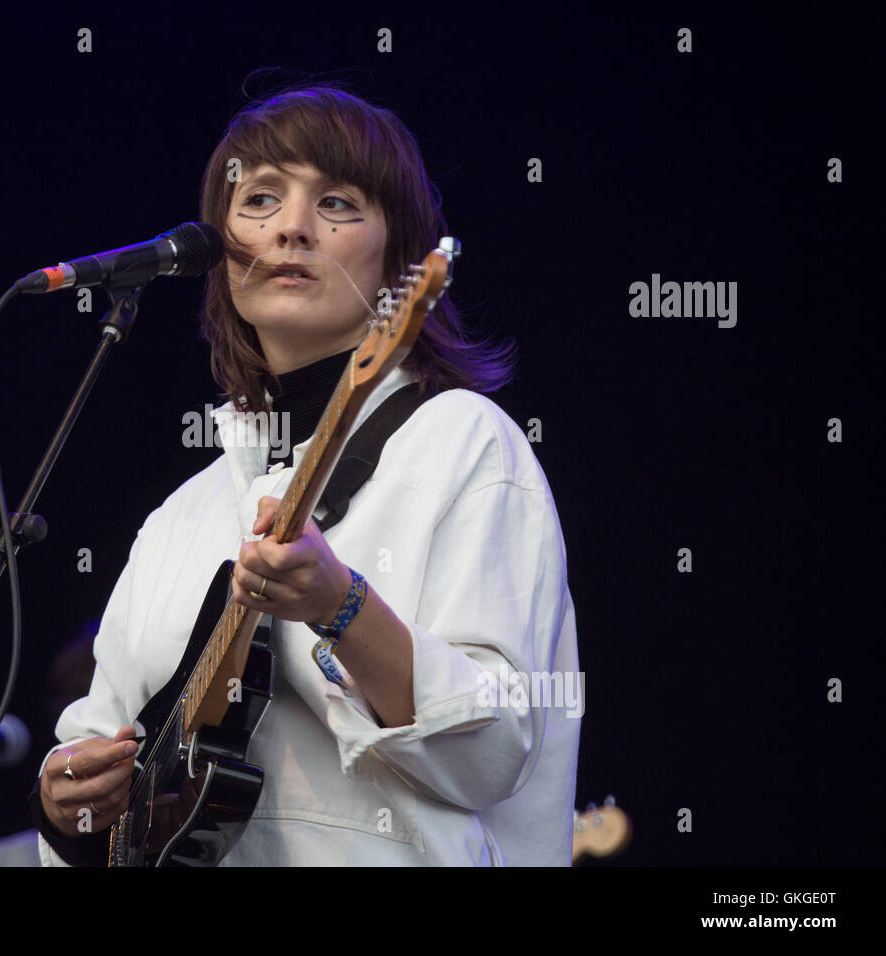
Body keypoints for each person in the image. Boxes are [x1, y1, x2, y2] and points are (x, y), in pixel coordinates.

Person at [29, 83, 581, 865]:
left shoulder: (465, 443)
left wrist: (340, 604)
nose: (290, 228)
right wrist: (67, 806)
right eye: (259, 198)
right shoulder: (180, 517)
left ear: (400, 261)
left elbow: (495, 751)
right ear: (220, 254)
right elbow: (98, 748)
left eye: (338, 205)